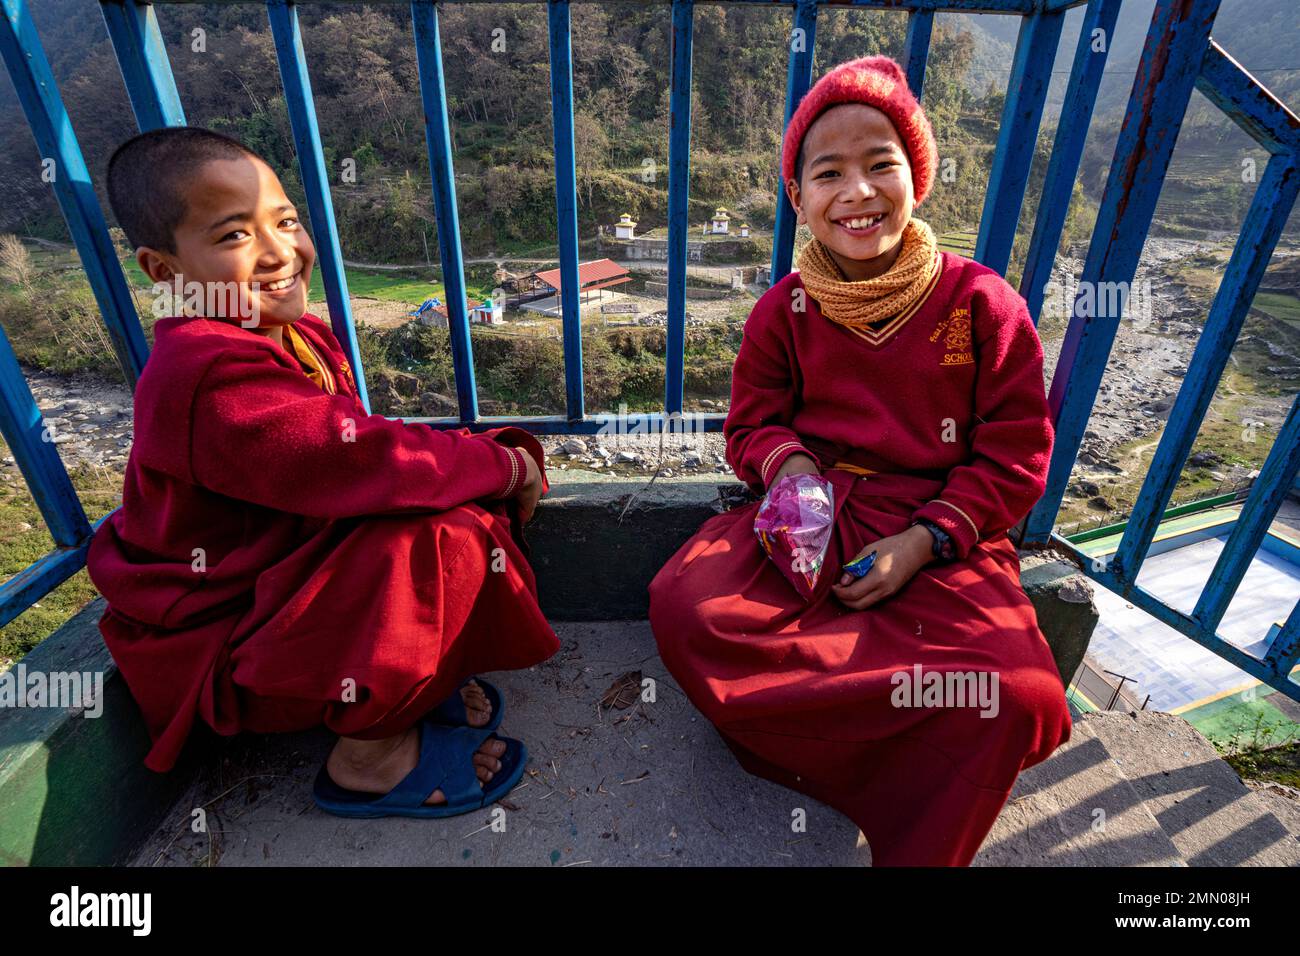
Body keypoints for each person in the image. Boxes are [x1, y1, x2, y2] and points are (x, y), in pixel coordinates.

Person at [648, 55, 1073, 865]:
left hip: (943, 528)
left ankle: (913, 831)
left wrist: (923, 543)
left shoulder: (983, 303)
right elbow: (752, 424)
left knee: (1014, 698)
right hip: (820, 511)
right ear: (797, 198)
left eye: (883, 165)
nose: (858, 192)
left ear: (919, 177)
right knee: (687, 608)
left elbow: (1015, 455)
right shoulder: (786, 309)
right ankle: (835, 757)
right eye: (828, 173)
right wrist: (794, 473)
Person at [87, 127, 560, 817]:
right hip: (225, 633)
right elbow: (369, 461)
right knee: (438, 539)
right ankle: (371, 755)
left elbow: (365, 458)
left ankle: (404, 690)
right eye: (232, 237)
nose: (280, 252)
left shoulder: (299, 333)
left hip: (288, 589)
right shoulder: (204, 373)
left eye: (285, 221)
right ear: (164, 271)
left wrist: (491, 467)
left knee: (459, 504)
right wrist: (509, 463)